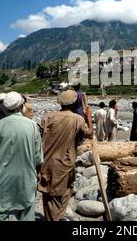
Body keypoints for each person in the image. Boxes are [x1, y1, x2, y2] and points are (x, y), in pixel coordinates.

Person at [0, 91, 43, 221]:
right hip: (26, 175)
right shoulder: (32, 125)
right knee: (27, 209)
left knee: (0, 210)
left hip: (2, 176)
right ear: (22, 106)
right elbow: (37, 156)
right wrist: (38, 173)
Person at [38, 90, 88, 221]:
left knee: (52, 192)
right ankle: (56, 216)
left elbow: (38, 139)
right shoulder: (78, 119)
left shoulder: (47, 118)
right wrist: (87, 116)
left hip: (48, 160)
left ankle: (56, 216)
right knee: (64, 189)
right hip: (67, 161)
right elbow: (89, 135)